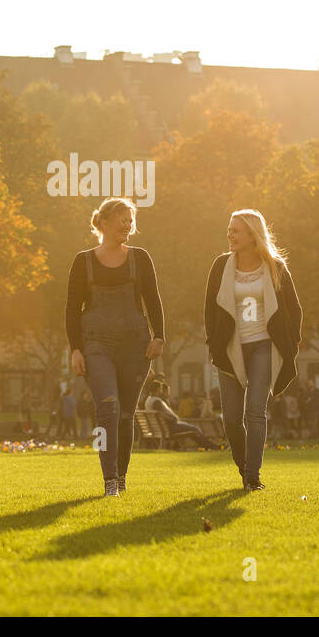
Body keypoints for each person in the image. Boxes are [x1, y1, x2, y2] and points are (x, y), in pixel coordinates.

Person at [65, 197, 165, 497]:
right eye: (122, 218)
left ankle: (121, 476)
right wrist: (75, 349)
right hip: (96, 344)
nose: (128, 224)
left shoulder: (140, 258)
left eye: (130, 219)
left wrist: (159, 335)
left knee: (125, 414)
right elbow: (72, 307)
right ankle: (109, 480)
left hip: (135, 345)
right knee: (107, 408)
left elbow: (153, 299)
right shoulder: (83, 261)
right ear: (104, 222)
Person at [204, 208, 304, 492]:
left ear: (252, 235)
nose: (229, 235)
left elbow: (294, 310)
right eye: (229, 230)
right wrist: (213, 342)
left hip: (264, 346)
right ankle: (243, 465)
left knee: (255, 412)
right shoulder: (221, 265)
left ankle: (253, 475)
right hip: (230, 348)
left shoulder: (275, 267)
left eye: (235, 230)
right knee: (232, 419)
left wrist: (290, 343)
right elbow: (210, 309)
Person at [145, 380, 213, 448]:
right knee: (195, 429)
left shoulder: (149, 400)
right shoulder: (156, 402)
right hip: (169, 428)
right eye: (160, 389)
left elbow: (159, 415)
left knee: (193, 431)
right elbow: (161, 415)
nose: (161, 391)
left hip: (164, 427)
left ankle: (208, 446)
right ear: (157, 389)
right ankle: (211, 446)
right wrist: (173, 418)